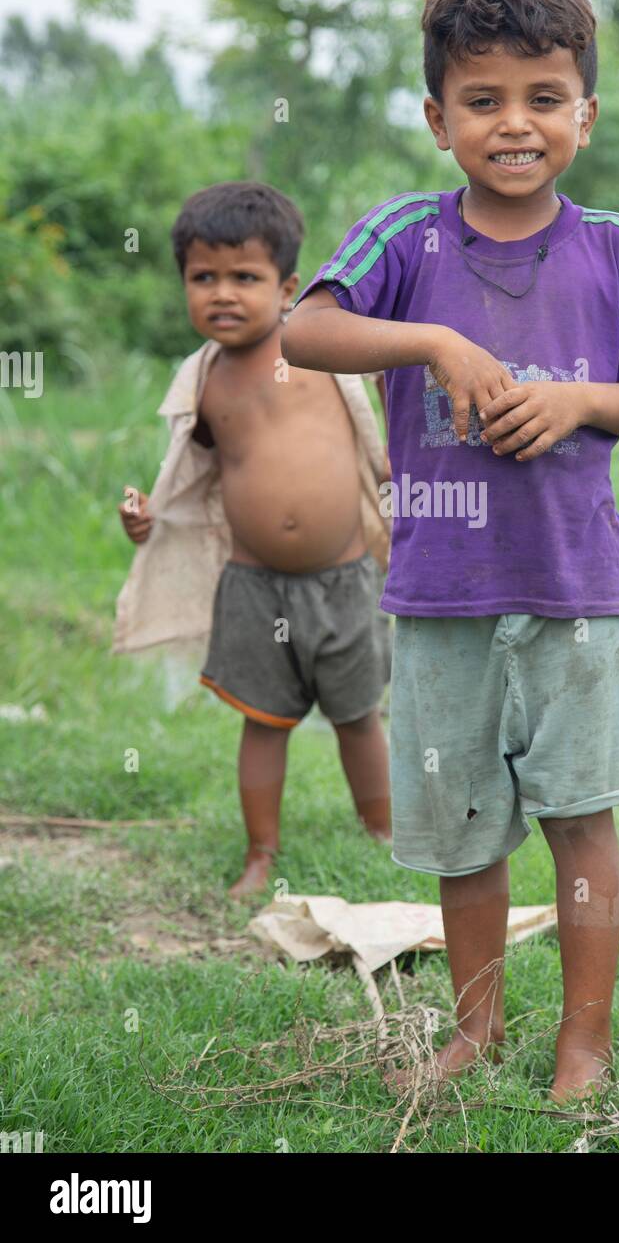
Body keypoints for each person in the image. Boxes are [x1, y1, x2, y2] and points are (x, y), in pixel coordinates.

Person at [281, 0, 619, 1102]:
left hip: (573, 593)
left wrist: (575, 401)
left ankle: (582, 1043)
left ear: (584, 113)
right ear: (436, 118)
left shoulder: (613, 248)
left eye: (541, 96)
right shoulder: (401, 242)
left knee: (578, 823)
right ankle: (474, 1031)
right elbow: (300, 332)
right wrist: (432, 345)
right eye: (482, 99)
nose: (513, 123)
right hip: (437, 595)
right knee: (463, 836)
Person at [113, 181, 393, 898]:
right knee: (263, 724)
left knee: (359, 717)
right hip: (254, 586)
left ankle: (383, 830)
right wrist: (146, 517)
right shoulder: (202, 381)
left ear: (288, 287)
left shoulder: (323, 354)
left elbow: (380, 434)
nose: (223, 294)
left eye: (245, 277)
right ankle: (261, 853)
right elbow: (189, 482)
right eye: (203, 278)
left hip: (345, 579)